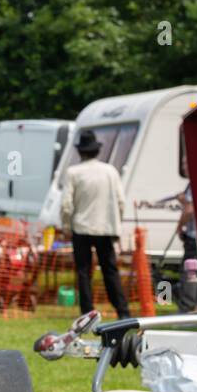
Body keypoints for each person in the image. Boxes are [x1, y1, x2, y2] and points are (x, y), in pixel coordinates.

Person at [60, 127, 129, 318]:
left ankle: (87, 312)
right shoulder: (110, 171)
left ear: (80, 151)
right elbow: (121, 201)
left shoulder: (73, 172)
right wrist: (117, 225)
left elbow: (66, 204)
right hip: (106, 228)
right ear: (97, 150)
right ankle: (122, 311)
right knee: (110, 270)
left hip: (81, 228)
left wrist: (66, 226)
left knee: (83, 271)